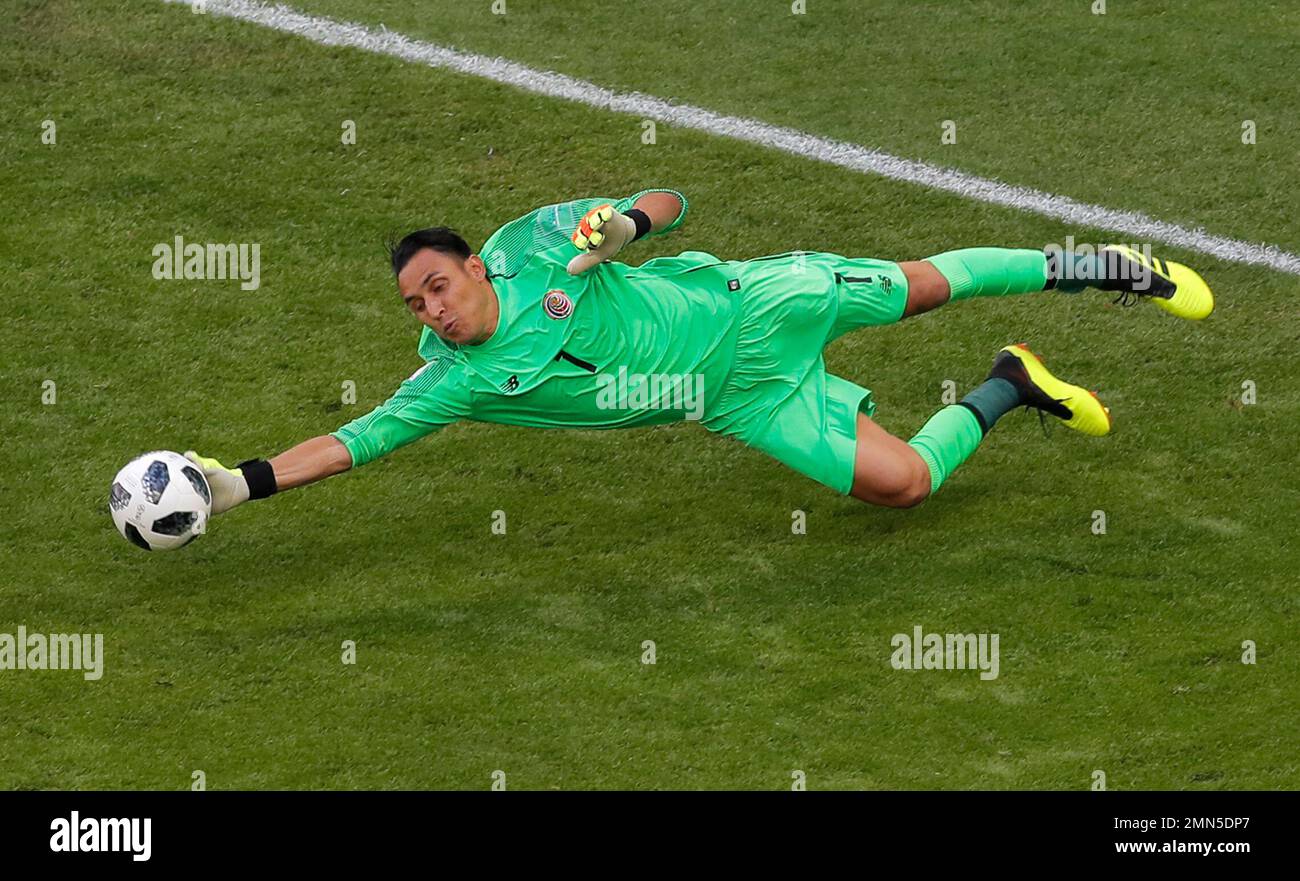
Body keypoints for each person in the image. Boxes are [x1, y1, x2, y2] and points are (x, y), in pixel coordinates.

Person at [186, 188, 1213, 514]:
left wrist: (628, 225)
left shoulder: (544, 242)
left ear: (476, 267)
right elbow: (354, 441)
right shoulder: (452, 380)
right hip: (735, 401)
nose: (433, 310)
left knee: (921, 286)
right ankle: (1011, 381)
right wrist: (237, 483)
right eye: (416, 301)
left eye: (439, 285)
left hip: (756, 305)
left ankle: (1100, 264)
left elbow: (672, 199)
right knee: (900, 486)